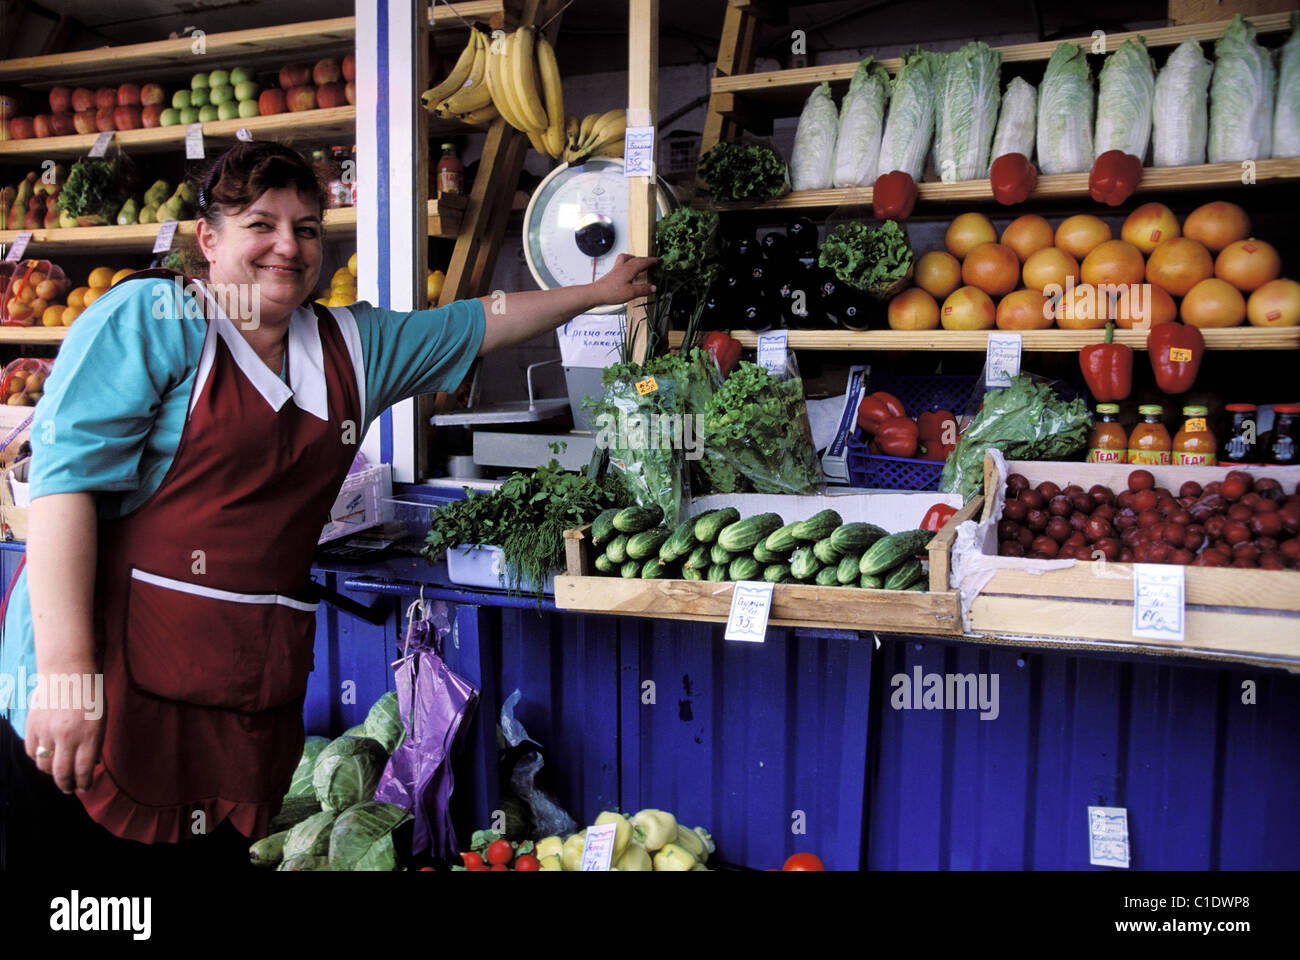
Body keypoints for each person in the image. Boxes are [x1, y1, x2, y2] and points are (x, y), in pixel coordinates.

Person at [0, 141, 655, 871]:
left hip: (231, 687)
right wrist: (66, 677)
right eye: (261, 224)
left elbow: (477, 321)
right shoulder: (154, 319)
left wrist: (600, 292)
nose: (288, 245)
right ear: (208, 239)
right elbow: (64, 491)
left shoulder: (350, 345)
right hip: (91, 683)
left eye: (307, 228)